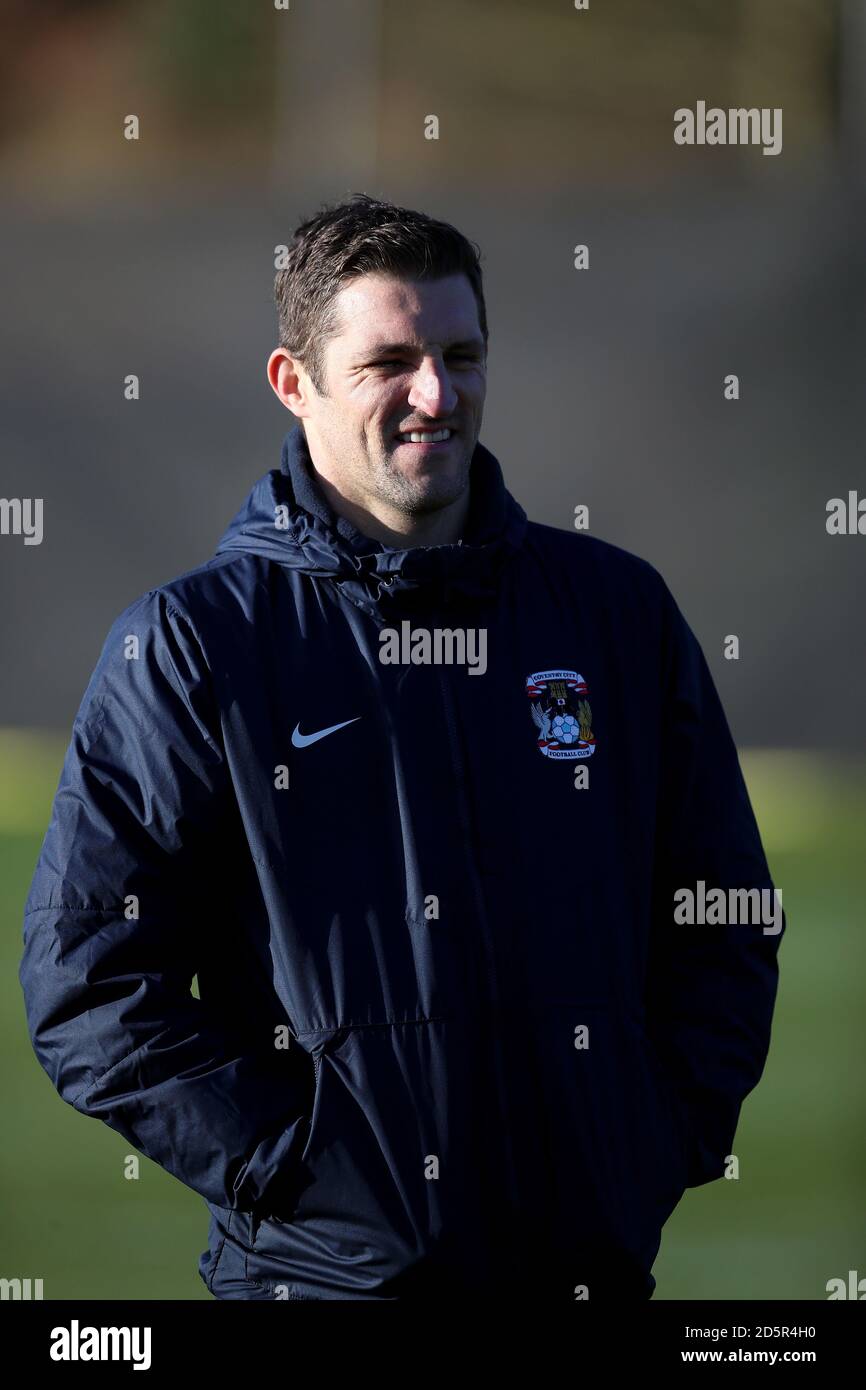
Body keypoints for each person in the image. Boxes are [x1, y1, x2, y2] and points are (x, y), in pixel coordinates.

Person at [19, 193, 784, 1301]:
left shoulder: (614, 613)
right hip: (326, 1288)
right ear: (295, 383)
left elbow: (723, 910)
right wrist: (298, 1171)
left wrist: (652, 1139)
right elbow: (88, 981)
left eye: (460, 353)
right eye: (390, 361)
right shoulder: (192, 645)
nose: (437, 393)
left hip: (590, 1274)